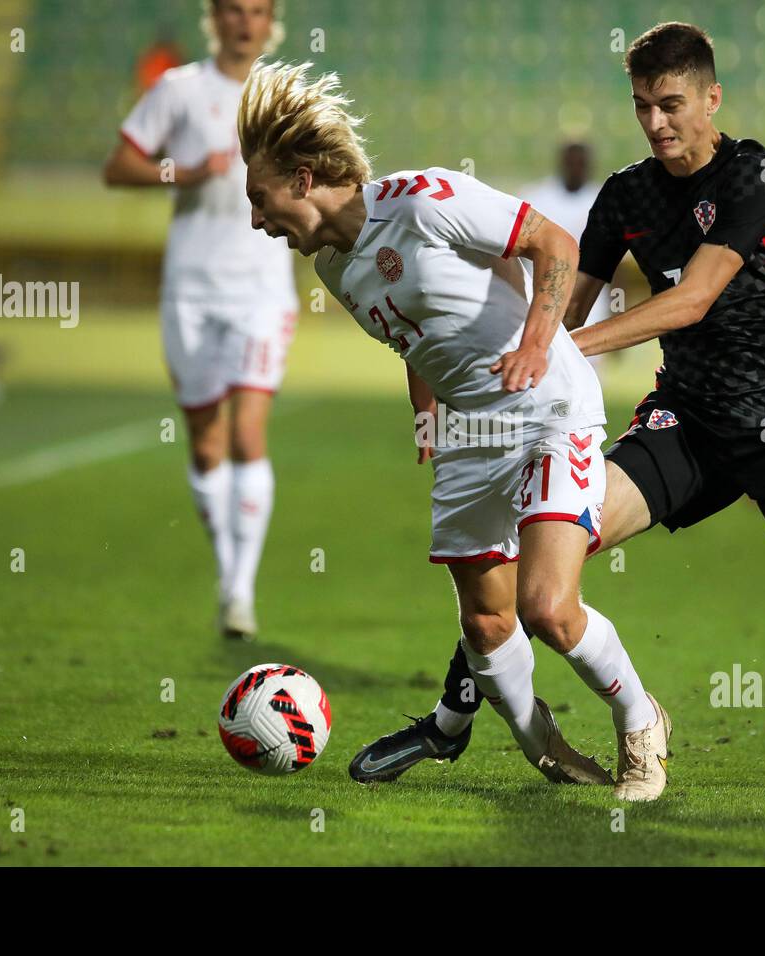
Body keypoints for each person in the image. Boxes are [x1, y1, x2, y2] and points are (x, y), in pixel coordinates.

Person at [352, 22, 765, 799]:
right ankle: (453, 720)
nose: (657, 123)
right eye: (643, 106)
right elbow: (561, 303)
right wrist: (487, 349)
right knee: (549, 547)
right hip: (685, 415)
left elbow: (689, 301)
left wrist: (553, 350)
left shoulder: (757, 174)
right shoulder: (625, 194)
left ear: (711, 99)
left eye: (672, 104)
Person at [238, 59, 672, 800]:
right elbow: (419, 341)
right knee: (487, 627)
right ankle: (546, 747)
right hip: (470, 437)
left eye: (261, 198)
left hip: (547, 408)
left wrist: (539, 342)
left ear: (303, 178)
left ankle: (640, 724)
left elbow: (553, 245)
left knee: (547, 606)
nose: (257, 219)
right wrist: (427, 412)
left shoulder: (423, 200)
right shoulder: (334, 271)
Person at [104, 0, 296, 640]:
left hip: (262, 289)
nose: (246, 22)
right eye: (234, 10)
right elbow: (120, 165)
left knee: (247, 433)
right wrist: (180, 171)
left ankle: (241, 589)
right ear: (215, 18)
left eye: (258, 11)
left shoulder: (284, 94)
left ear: (273, 22)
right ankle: (227, 573)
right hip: (190, 288)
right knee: (206, 442)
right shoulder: (178, 90)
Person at [520, 142, 614, 378]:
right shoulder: (536, 198)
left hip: (591, 297)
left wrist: (616, 308)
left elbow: (616, 262)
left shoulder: (603, 200)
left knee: (585, 371)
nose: (576, 167)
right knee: (544, 367)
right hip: (540, 296)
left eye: (581, 163)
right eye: (571, 162)